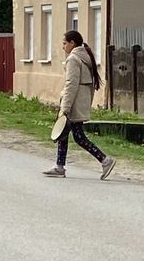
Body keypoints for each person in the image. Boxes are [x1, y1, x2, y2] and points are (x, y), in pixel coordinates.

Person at [43, 30, 116, 180]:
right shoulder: (84, 56)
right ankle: (59, 166)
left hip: (73, 103)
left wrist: (65, 108)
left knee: (78, 137)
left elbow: (71, 84)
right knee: (64, 134)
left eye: (64, 43)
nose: (63, 47)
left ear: (72, 43)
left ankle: (105, 160)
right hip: (80, 102)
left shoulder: (73, 59)